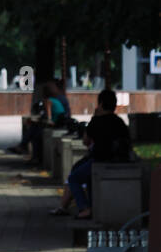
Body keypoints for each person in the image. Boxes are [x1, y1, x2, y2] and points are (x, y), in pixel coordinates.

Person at [51, 88, 132, 218]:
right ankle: (89, 206)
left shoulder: (97, 121)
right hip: (121, 159)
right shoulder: (119, 122)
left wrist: (94, 117)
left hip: (101, 160)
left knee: (74, 178)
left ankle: (84, 208)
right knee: (87, 175)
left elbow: (85, 141)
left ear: (100, 104)